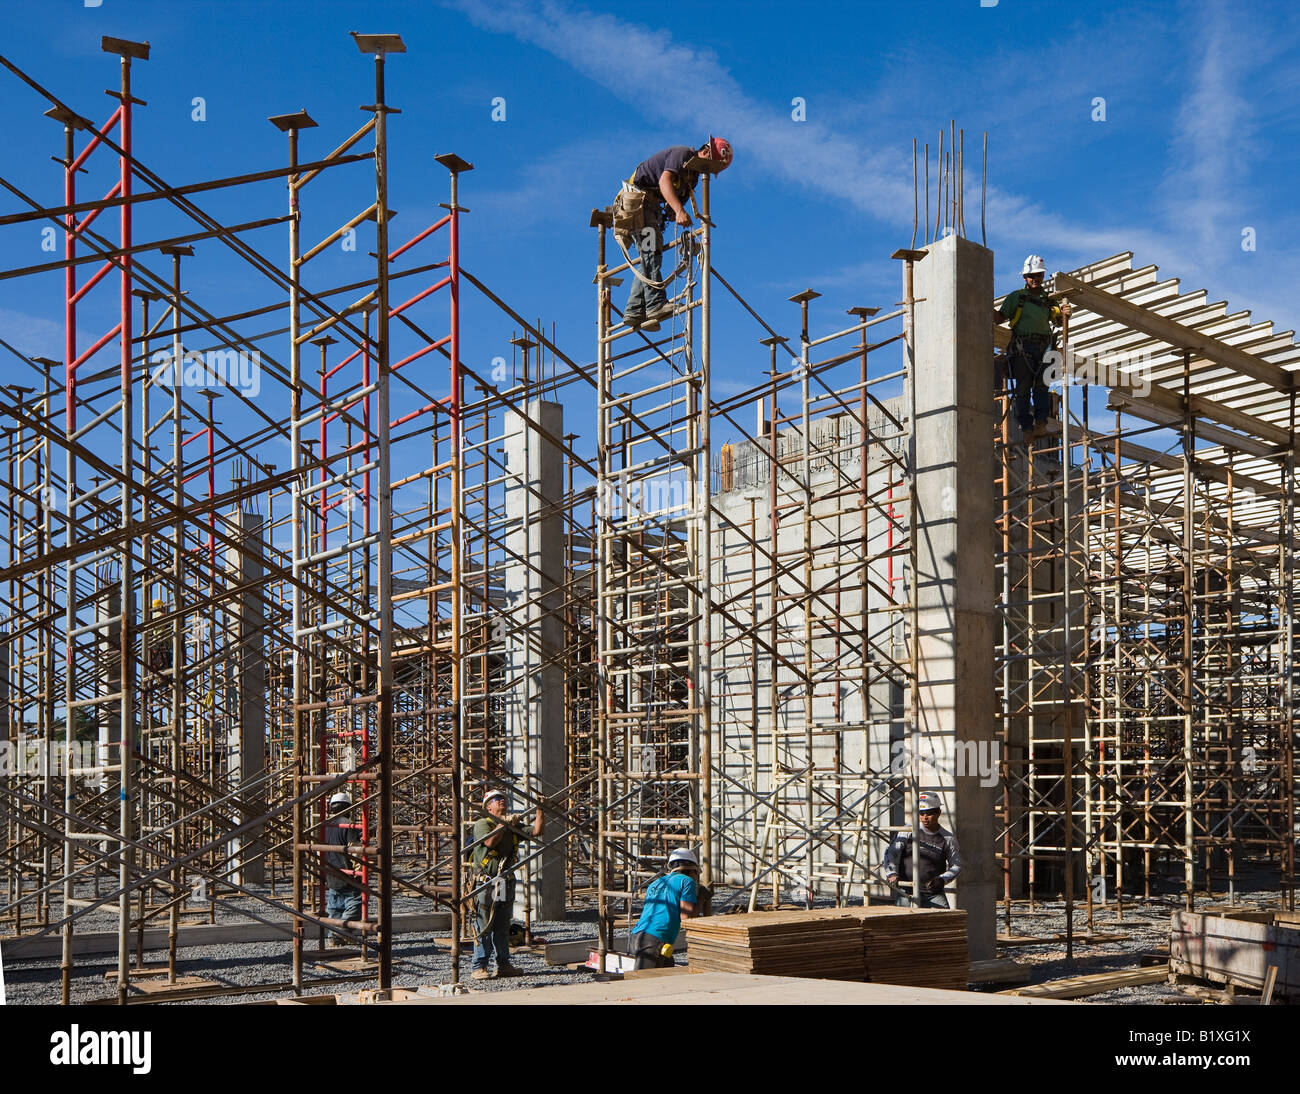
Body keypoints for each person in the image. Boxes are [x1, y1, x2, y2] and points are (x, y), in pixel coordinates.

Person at [618, 137, 732, 331]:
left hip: (651, 208)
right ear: (705, 152)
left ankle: (635, 310)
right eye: (709, 165)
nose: (707, 171)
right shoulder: (683, 154)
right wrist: (679, 210)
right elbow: (664, 181)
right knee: (651, 251)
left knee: (650, 254)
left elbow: (676, 197)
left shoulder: (692, 177)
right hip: (639, 203)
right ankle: (655, 304)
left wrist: (674, 210)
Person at [995, 254, 1073, 444]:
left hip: (1044, 348)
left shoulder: (1048, 300)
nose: (1035, 279)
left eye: (1038, 275)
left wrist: (1065, 314)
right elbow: (999, 318)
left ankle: (1040, 423)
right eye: (1032, 276)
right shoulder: (1017, 298)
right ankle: (1026, 427)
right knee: (1023, 390)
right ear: (1025, 278)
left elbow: (1058, 320)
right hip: (1023, 348)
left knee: (1041, 387)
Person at [470, 788, 543, 981]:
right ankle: (480, 966)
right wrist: (505, 824)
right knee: (484, 923)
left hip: (503, 882)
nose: (501, 800)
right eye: (496, 799)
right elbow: (490, 842)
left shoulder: (511, 826)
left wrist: (540, 810)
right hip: (486, 882)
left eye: (502, 798)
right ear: (488, 807)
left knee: (501, 925)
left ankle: (503, 964)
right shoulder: (482, 824)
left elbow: (537, 831)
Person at [883, 792, 962, 909]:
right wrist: (892, 873)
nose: (925, 817)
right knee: (903, 925)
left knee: (943, 922)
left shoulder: (947, 839)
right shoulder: (908, 831)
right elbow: (892, 852)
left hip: (933, 894)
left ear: (938, 813)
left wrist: (941, 880)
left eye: (929, 814)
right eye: (922, 813)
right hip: (906, 890)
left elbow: (956, 865)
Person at [628, 848, 701, 969]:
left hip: (637, 936)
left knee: (667, 970)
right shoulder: (687, 881)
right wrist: (701, 900)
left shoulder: (657, 882)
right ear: (691, 869)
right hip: (653, 940)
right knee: (643, 983)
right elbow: (686, 917)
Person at [323, 792, 365, 947]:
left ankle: (334, 938)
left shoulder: (325, 826)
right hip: (347, 873)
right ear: (348, 808)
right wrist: (361, 872)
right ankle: (341, 932)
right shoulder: (349, 826)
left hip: (330, 872)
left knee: (335, 907)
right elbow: (355, 851)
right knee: (355, 904)